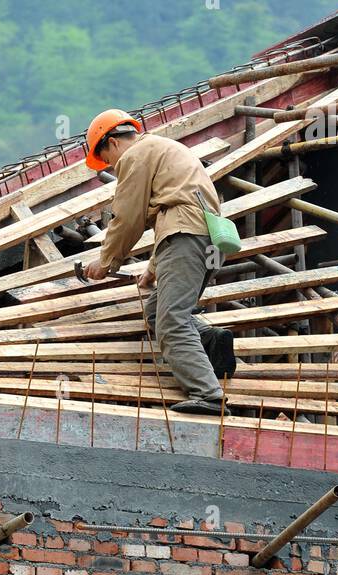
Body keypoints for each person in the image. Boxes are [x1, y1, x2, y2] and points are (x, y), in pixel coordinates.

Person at [82, 108, 236, 417]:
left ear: (112, 142)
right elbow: (173, 210)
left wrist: (106, 261)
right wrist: (152, 269)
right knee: (156, 311)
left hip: (187, 238)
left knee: (171, 322)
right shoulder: (165, 149)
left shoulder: (135, 156)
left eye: (107, 159)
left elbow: (128, 218)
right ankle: (211, 341)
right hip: (202, 238)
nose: (112, 166)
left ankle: (206, 393)